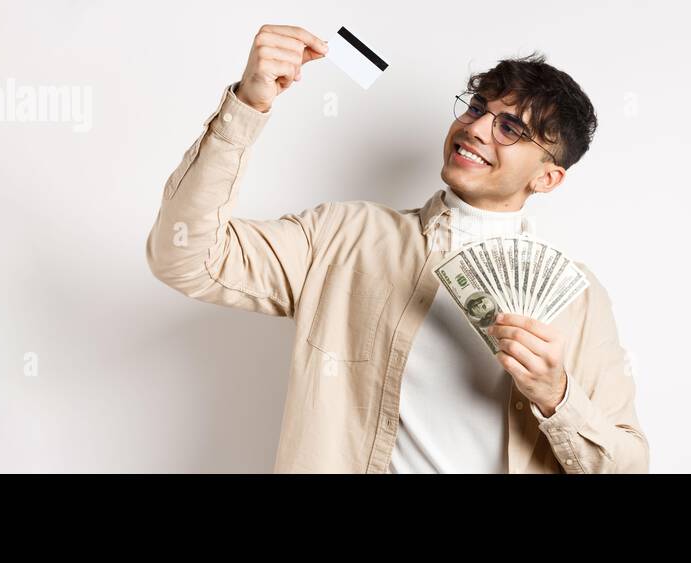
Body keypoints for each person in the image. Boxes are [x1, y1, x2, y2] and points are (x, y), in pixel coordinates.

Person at [146, 24, 647, 473]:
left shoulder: (578, 300)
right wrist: (247, 108)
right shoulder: (344, 236)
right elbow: (186, 257)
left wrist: (557, 397)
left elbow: (627, 466)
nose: (474, 128)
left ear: (547, 177)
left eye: (510, 128)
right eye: (477, 108)